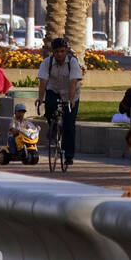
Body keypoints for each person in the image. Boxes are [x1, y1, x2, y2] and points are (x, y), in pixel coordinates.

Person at [37, 37, 83, 168]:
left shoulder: (72, 62)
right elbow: (43, 82)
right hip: (54, 90)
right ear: (53, 52)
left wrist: (71, 100)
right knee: (49, 104)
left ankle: (69, 155)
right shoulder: (47, 62)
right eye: (57, 52)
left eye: (62, 51)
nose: (59, 54)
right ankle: (52, 128)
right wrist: (40, 99)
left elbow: (73, 82)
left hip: (71, 93)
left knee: (69, 124)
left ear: (66, 51)